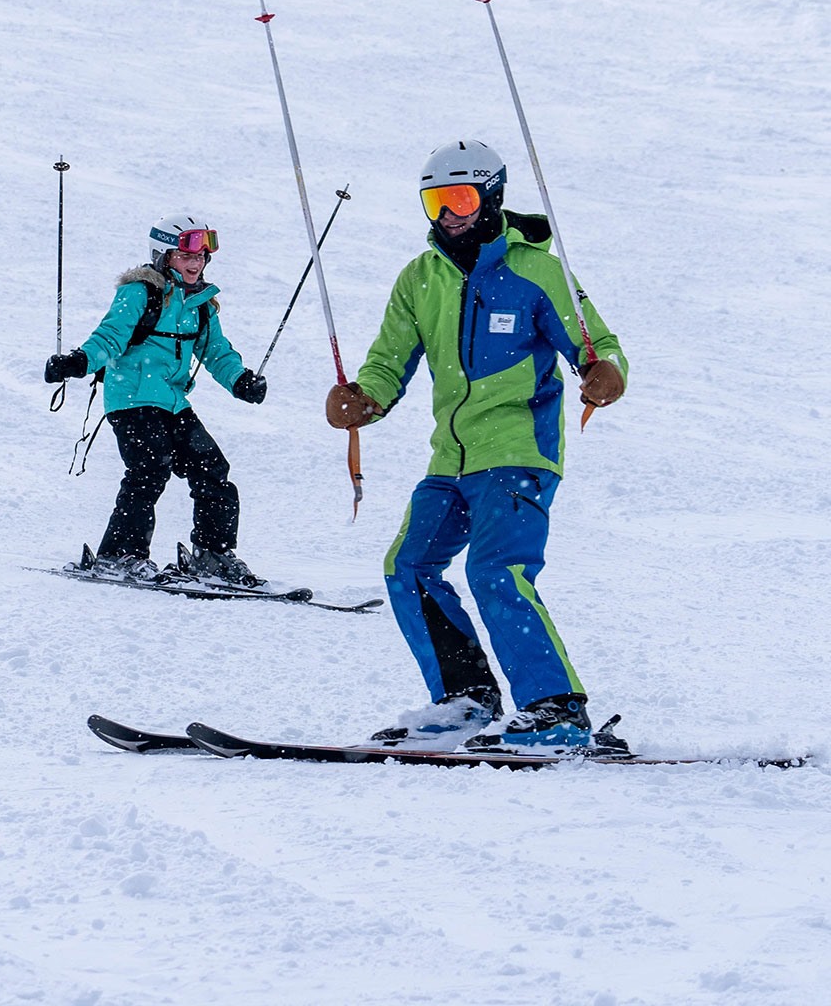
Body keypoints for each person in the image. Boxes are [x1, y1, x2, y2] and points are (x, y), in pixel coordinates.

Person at [326, 139, 627, 751]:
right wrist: (365, 398)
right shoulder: (419, 278)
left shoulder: (537, 270)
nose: (448, 214)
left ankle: (556, 710)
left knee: (496, 570)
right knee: (407, 566)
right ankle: (466, 700)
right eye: (435, 201)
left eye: (460, 198)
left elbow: (597, 342)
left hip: (518, 453)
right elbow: (389, 364)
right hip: (451, 459)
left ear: (492, 195)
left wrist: (605, 373)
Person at [44, 213, 268, 586]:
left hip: (173, 402)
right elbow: (110, 336)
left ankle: (212, 555)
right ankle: (120, 555)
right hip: (132, 399)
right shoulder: (139, 292)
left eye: (201, 257)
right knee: (149, 469)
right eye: (186, 256)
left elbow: (217, 352)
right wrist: (79, 362)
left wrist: (240, 381)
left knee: (213, 469)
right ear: (164, 256)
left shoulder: (201, 304)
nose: (196, 263)